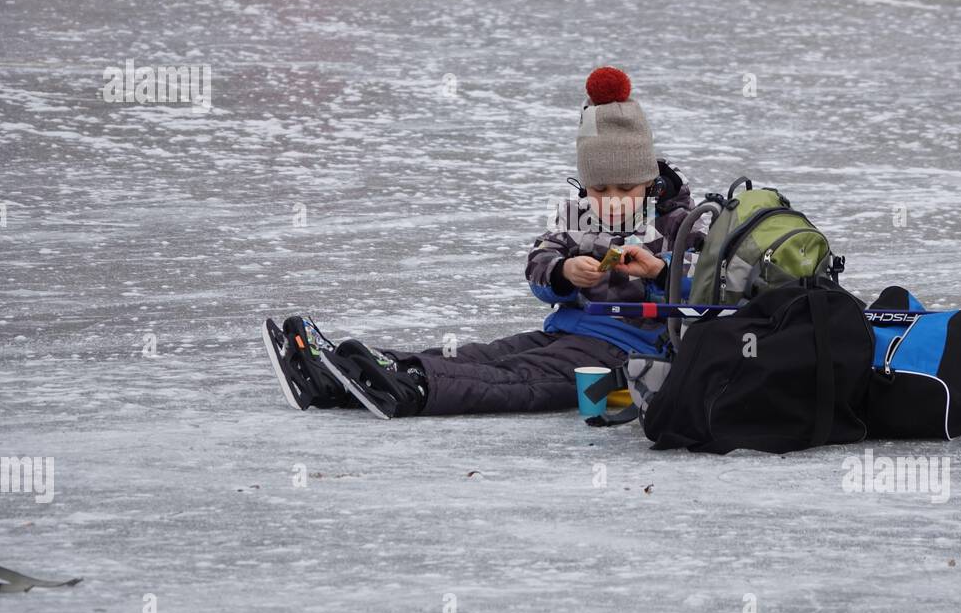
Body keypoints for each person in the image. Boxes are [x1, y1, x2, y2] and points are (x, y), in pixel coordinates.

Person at [262, 67, 705, 417]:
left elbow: (708, 285)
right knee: (485, 354)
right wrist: (563, 273)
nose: (611, 202)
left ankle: (414, 386)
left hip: (629, 351)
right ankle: (341, 371)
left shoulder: (682, 224)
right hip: (566, 330)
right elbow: (540, 260)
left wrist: (659, 271)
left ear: (649, 182)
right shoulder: (577, 215)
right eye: (599, 190)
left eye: (625, 190)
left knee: (518, 378)